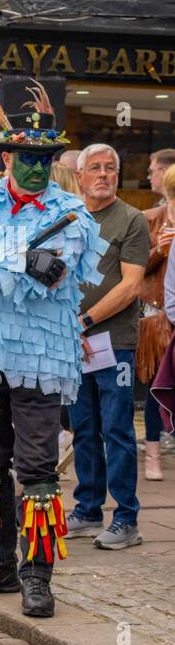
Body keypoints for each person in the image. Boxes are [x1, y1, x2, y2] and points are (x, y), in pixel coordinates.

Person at [0, 80, 104, 618]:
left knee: (36, 464)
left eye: (45, 159)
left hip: (41, 357)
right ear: (7, 157)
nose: (36, 168)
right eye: (27, 158)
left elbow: (51, 274)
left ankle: (37, 574)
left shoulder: (74, 213)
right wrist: (16, 256)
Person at [65, 143, 148, 550]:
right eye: (94, 168)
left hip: (112, 342)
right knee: (83, 428)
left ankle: (127, 518)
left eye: (111, 168)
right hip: (72, 343)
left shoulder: (131, 220)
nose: (103, 174)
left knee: (116, 429)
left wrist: (84, 321)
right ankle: (87, 509)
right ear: (79, 177)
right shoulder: (70, 218)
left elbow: (131, 285)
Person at [141, 164, 175, 481]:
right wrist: (161, 249)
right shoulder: (151, 218)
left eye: (153, 170)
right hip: (157, 315)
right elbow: (138, 265)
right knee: (156, 386)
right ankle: (152, 455)